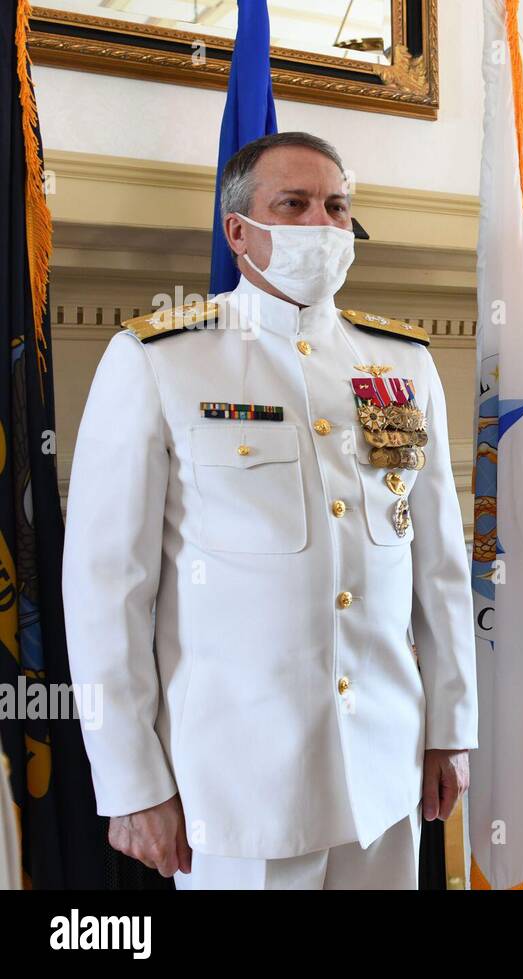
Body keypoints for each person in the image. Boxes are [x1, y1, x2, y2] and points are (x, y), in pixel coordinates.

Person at [63, 132, 477, 890]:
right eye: (293, 204)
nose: (321, 224)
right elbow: (104, 589)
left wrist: (450, 728)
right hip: (236, 791)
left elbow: (440, 566)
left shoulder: (401, 365)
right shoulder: (159, 359)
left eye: (337, 206)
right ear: (239, 231)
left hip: (382, 776)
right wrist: (130, 782)